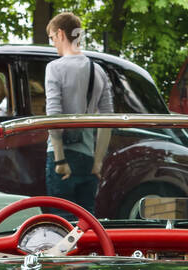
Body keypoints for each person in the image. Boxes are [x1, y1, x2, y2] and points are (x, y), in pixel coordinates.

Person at [45, 12, 114, 213]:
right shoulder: (98, 70)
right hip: (87, 157)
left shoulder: (54, 68)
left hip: (62, 155)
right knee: (86, 221)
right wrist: (98, 161)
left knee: (62, 221)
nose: (53, 44)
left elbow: (54, 117)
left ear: (60, 34)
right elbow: (107, 120)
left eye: (52, 38)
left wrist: (59, 160)